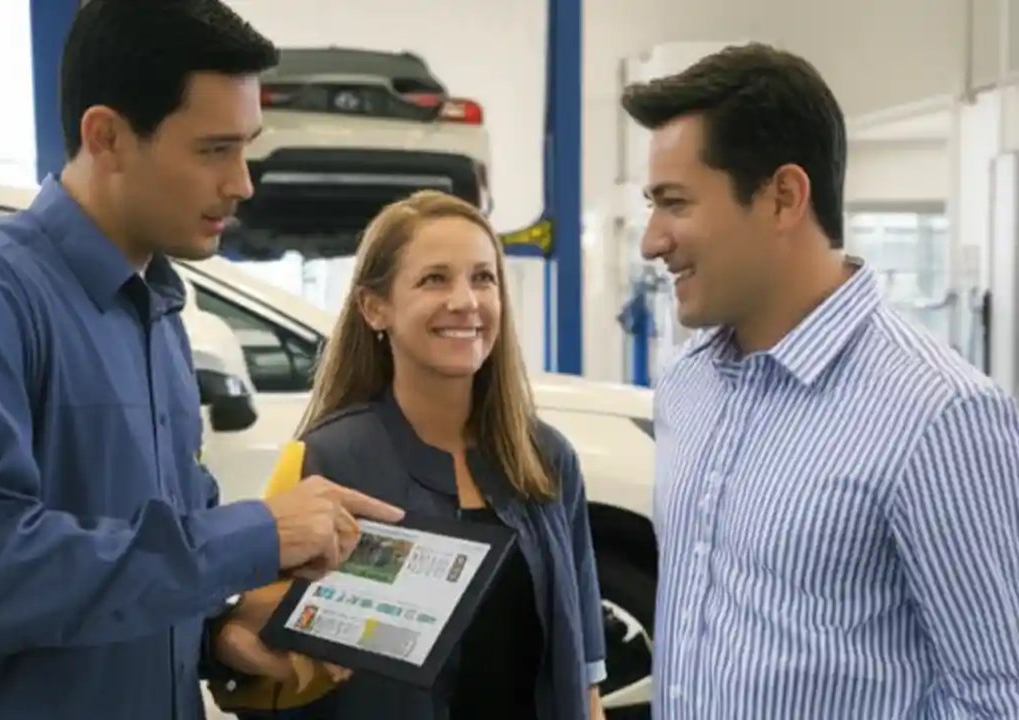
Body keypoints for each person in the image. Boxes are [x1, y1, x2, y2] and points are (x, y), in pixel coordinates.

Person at [0, 1, 402, 718]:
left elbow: (144, 559)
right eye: (213, 150)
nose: (242, 183)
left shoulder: (157, 313)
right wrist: (254, 537)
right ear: (106, 135)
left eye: (246, 147)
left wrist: (219, 632)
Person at [621, 42, 1019, 719]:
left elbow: (997, 695)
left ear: (783, 197)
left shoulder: (940, 414)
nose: (652, 240)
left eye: (676, 203)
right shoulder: (688, 385)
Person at [208, 190, 609, 720]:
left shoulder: (547, 460)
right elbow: (262, 654)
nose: (465, 301)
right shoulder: (327, 462)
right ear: (375, 308)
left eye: (483, 278)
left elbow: (584, 677)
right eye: (434, 279)